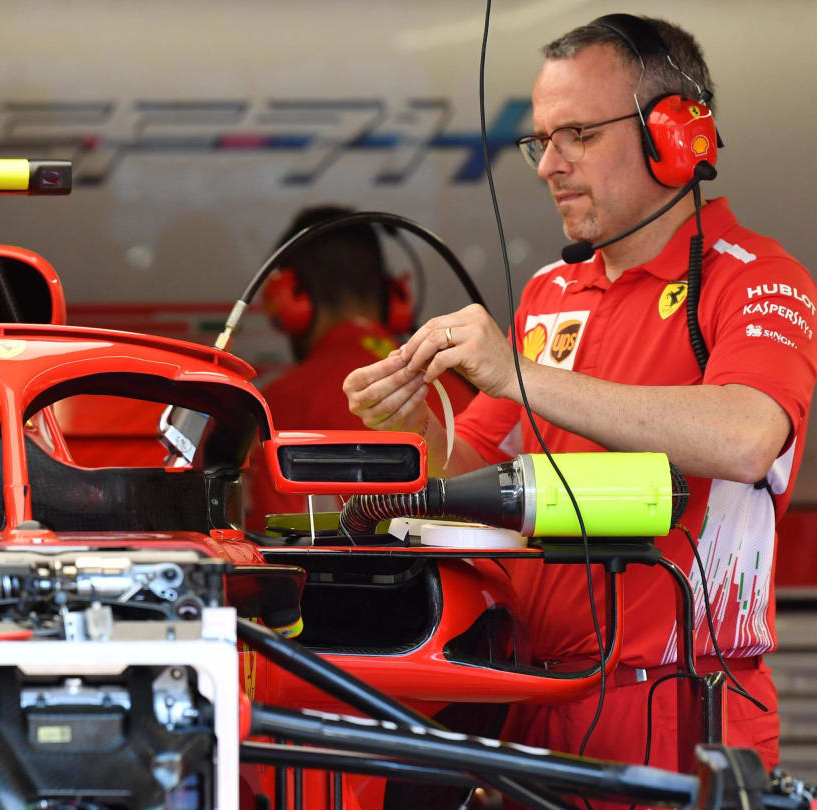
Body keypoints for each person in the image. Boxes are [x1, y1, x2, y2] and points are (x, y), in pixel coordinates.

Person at [343, 14, 816, 776]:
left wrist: (520, 374)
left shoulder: (757, 277)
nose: (548, 165)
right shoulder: (547, 293)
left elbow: (747, 435)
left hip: (687, 708)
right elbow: (474, 464)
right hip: (535, 705)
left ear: (675, 136)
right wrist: (417, 425)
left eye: (578, 136)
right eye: (541, 140)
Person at [245, 205, 474, 532]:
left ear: (288, 301)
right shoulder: (461, 389)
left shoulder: (274, 407)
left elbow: (274, 549)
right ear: (395, 296)